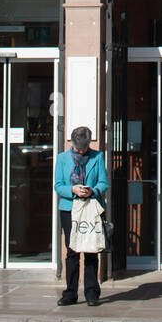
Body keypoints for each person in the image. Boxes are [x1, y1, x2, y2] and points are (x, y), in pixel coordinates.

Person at [54, 126, 109, 307]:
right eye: (78, 148)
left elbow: (103, 182)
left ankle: (92, 292)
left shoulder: (97, 157)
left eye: (84, 148)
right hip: (69, 208)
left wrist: (93, 190)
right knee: (72, 251)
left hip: (90, 208)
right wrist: (73, 189)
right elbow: (58, 185)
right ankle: (70, 293)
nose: (81, 151)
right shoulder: (62, 158)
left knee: (91, 250)